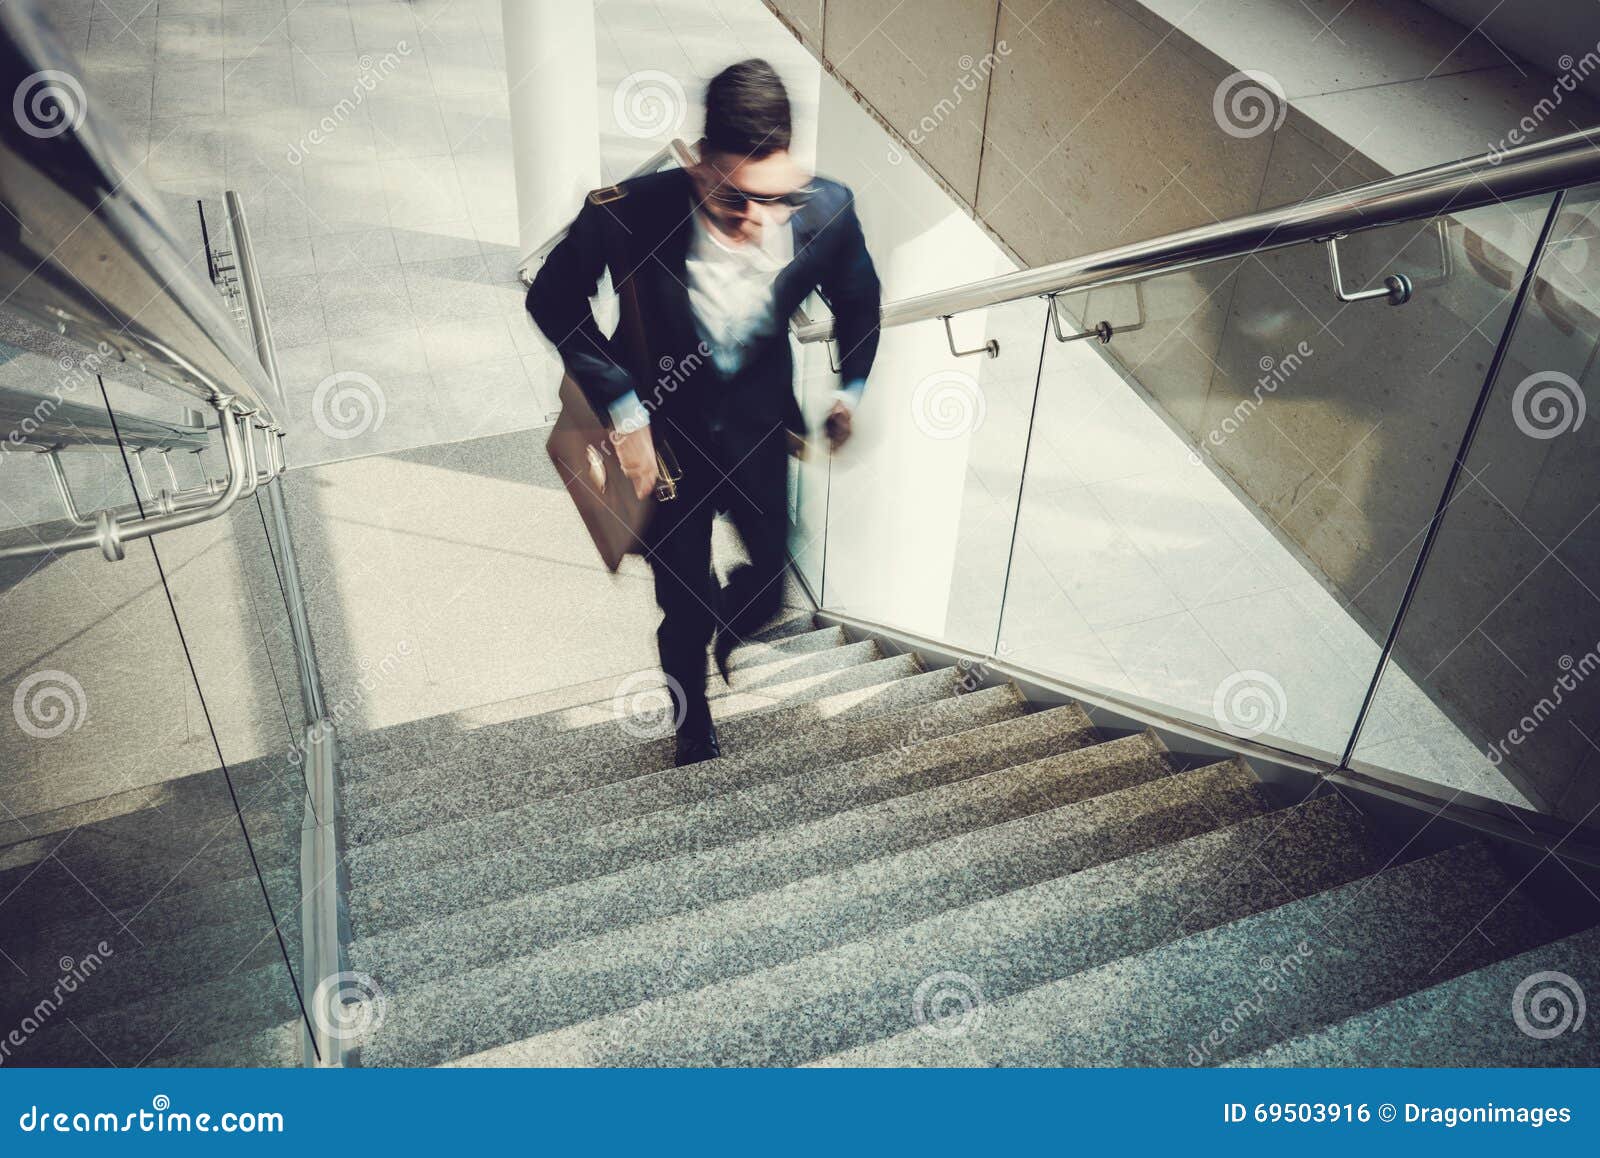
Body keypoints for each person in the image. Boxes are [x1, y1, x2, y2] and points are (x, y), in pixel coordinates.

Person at [529, 58, 881, 766]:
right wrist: (624, 412)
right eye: (736, 199)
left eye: (776, 199)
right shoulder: (629, 211)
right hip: (667, 446)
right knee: (683, 608)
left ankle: (728, 623)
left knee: (773, 584)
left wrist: (852, 389)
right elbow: (552, 299)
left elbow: (859, 298)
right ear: (698, 168)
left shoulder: (828, 209)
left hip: (758, 430)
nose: (760, 220)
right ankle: (692, 726)